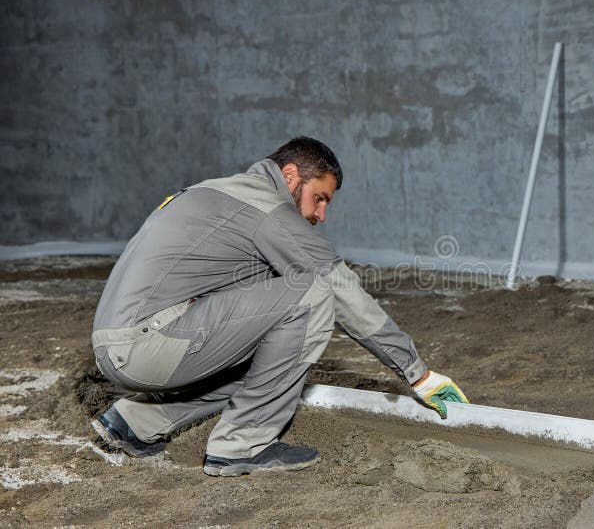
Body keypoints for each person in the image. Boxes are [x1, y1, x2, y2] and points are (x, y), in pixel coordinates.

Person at [90, 136, 469, 477]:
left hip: (123, 346)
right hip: (147, 346)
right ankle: (242, 444)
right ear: (291, 176)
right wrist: (417, 372)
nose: (321, 215)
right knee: (315, 292)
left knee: (264, 355)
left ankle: (134, 420)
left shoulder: (219, 192)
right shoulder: (267, 208)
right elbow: (340, 291)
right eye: (319, 198)